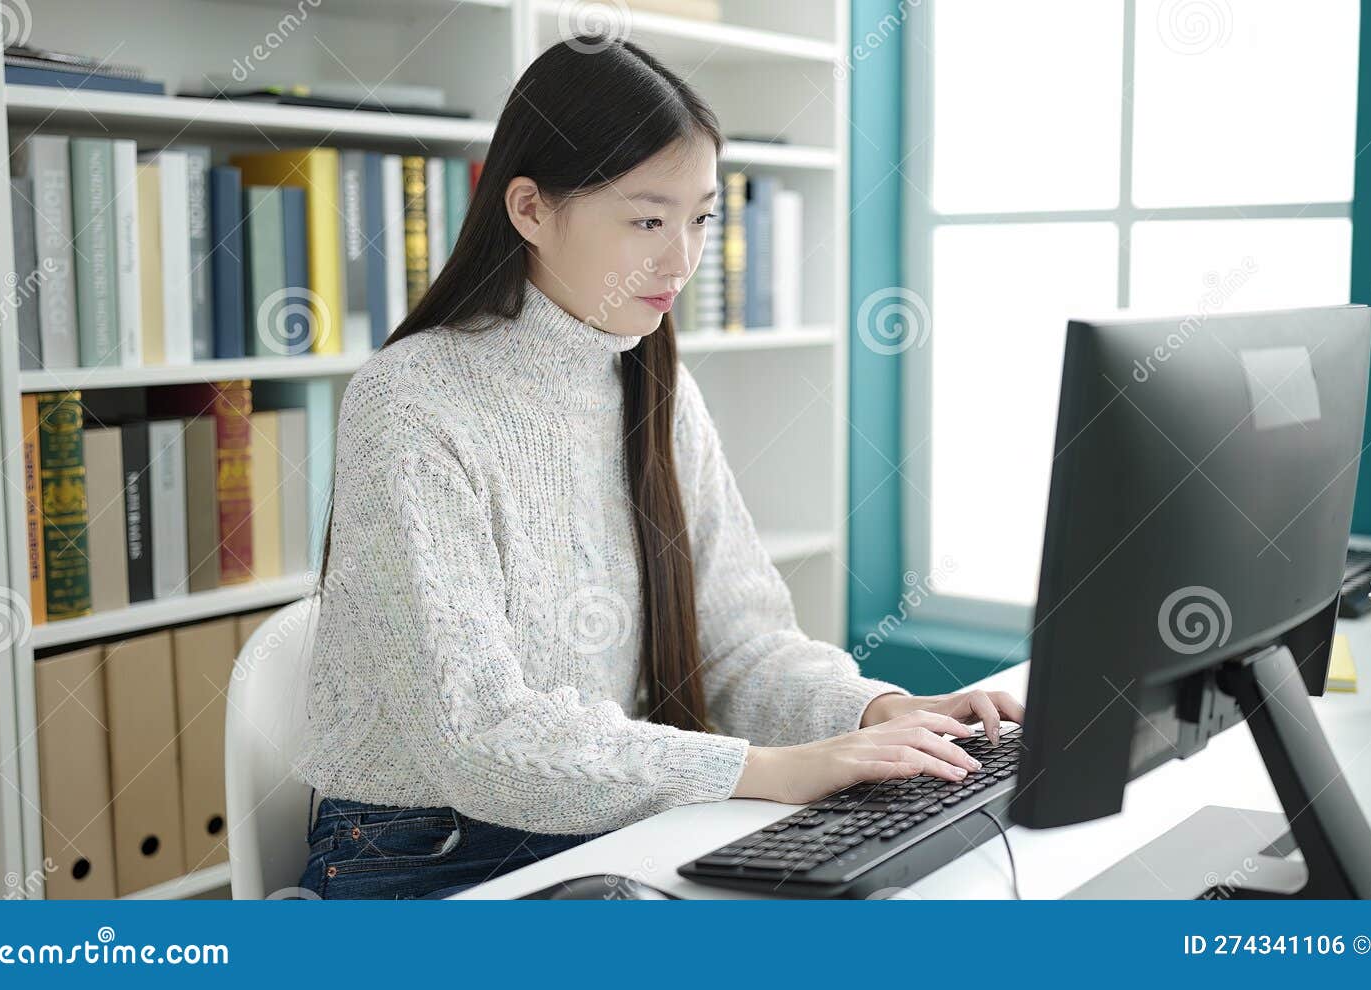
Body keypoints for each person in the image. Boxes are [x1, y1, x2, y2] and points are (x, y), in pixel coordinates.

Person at [294, 34, 1022, 900]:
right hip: (429, 854)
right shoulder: (412, 403)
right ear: (527, 209)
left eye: (701, 217)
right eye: (647, 219)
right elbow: (476, 735)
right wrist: (768, 769)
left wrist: (868, 712)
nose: (683, 259)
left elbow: (740, 645)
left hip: (605, 824)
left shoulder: (652, 382)